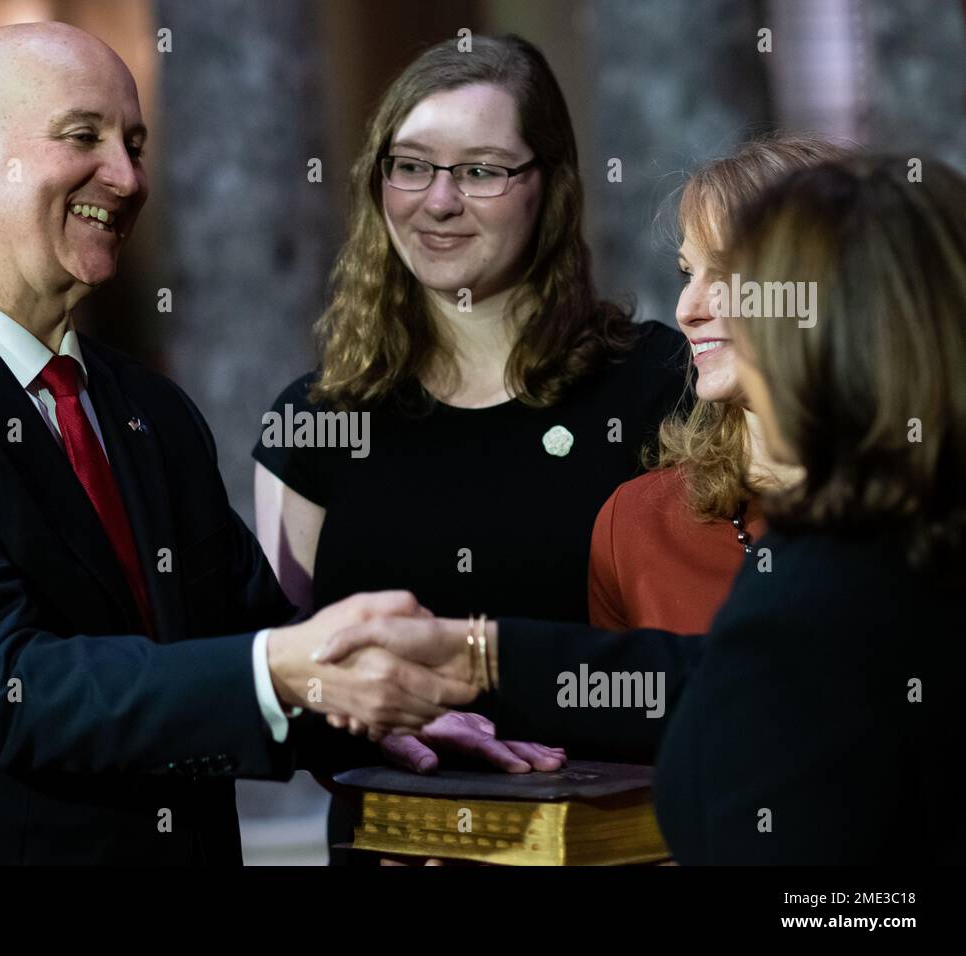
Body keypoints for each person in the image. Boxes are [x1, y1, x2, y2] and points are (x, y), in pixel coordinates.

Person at [0, 22, 471, 866]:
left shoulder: (151, 408)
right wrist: (281, 669)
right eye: (83, 137)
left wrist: (382, 712)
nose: (128, 177)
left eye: (135, 145)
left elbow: (239, 637)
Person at [316, 154, 966, 863]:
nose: (688, 309)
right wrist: (477, 661)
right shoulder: (808, 535)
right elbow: (704, 680)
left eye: (739, 277)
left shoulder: (872, 554)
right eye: (688, 272)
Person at [252, 32, 687, 858]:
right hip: (392, 851)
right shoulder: (312, 420)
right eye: (411, 166)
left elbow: (709, 666)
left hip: (610, 849)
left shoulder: (659, 387)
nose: (439, 201)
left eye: (482, 171)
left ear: (550, 188)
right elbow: (289, 681)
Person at [589, 135, 845, 633]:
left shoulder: (933, 513)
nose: (686, 310)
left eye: (726, 274)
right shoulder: (637, 525)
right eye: (688, 273)